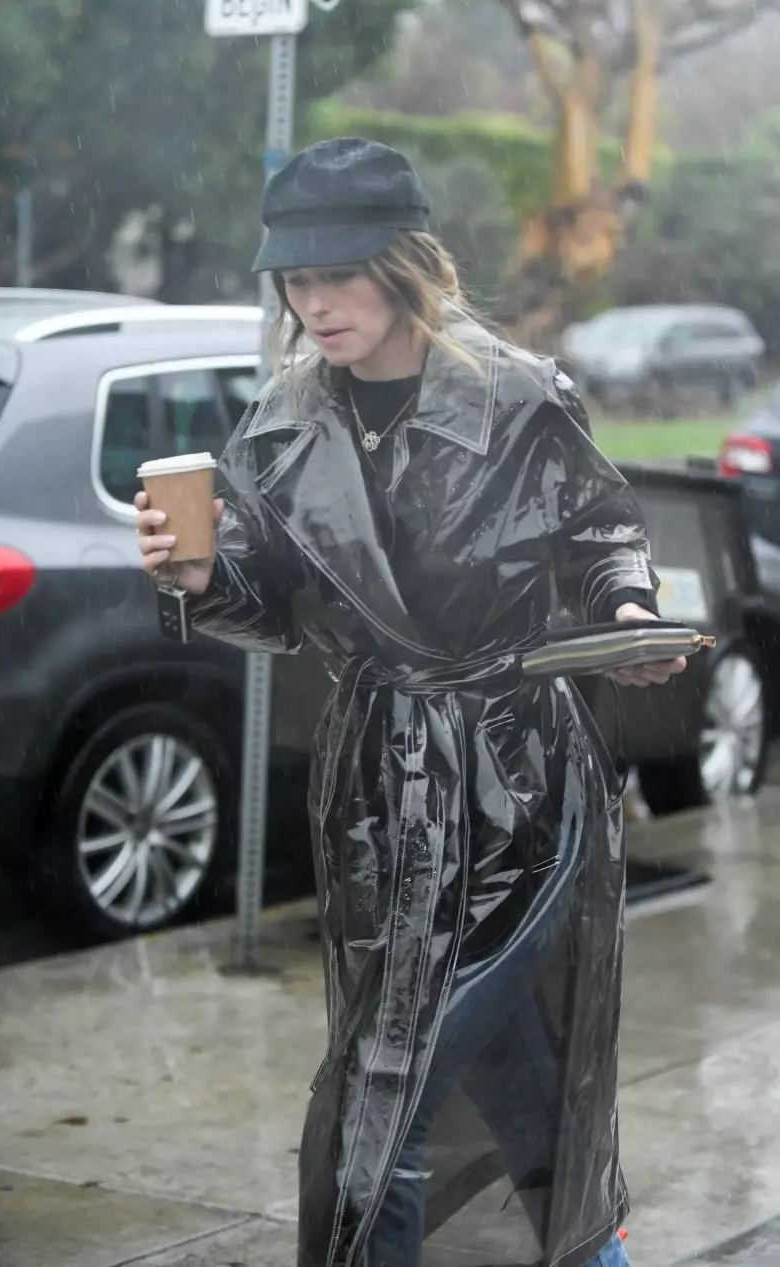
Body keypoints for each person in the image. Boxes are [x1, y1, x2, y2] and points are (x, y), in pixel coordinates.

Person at [136, 138, 685, 1267]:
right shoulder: (283, 421)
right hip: (374, 790)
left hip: (512, 787)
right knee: (508, 1076)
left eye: (336, 273)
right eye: (293, 280)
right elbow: (276, 598)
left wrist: (624, 609)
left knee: (372, 1112)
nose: (314, 302)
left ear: (403, 262)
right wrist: (203, 579)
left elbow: (599, 532)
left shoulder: (518, 395)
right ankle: (594, 1257)